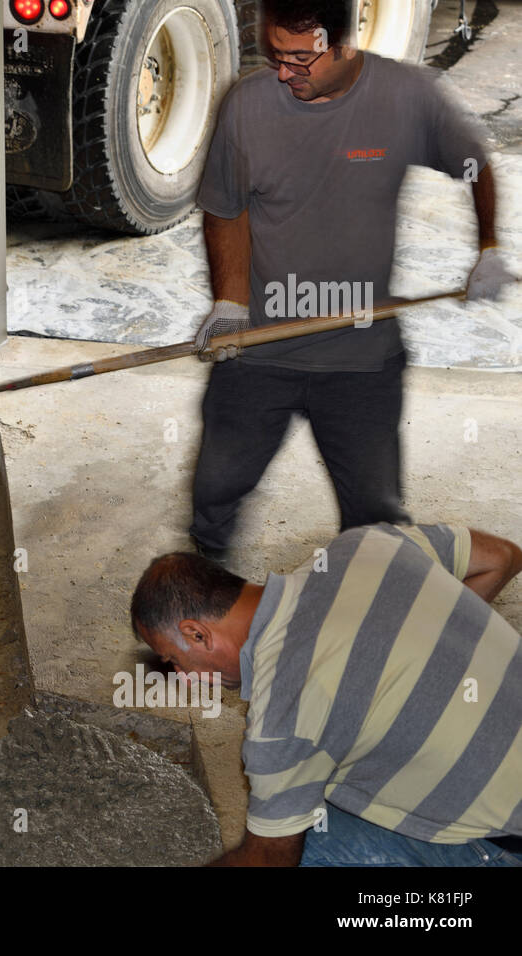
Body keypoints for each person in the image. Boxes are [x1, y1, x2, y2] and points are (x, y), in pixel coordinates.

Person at [189, 0, 513, 562]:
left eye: (299, 59)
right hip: (258, 348)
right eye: (274, 55)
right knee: (214, 494)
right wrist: (230, 303)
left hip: (362, 357)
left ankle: (379, 599)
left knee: (376, 520)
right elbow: (224, 209)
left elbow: (474, 164)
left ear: (343, 44)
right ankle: (205, 589)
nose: (283, 72)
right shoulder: (248, 105)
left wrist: (488, 249)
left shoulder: (406, 96)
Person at [130, 522, 522, 866]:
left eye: (174, 660)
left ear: (197, 634)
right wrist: (439, 653)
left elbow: (269, 859)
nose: (183, 678)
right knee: (325, 781)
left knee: (310, 843)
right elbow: (503, 556)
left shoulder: (283, 712)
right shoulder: (363, 545)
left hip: (506, 839)